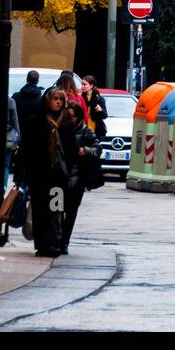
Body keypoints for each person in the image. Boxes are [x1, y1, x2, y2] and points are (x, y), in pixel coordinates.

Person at [16, 87, 77, 257]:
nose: (58, 102)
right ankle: (42, 244)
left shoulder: (66, 123)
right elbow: (26, 148)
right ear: (47, 100)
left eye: (61, 99)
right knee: (40, 210)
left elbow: (72, 148)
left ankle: (55, 244)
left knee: (56, 210)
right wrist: (22, 171)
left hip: (58, 176)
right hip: (39, 175)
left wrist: (70, 169)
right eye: (55, 98)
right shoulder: (36, 121)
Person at [62, 103, 103, 253]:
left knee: (71, 211)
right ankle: (57, 239)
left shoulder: (86, 131)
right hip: (60, 177)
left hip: (77, 178)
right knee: (58, 209)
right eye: (68, 116)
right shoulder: (60, 129)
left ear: (78, 116)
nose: (70, 119)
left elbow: (98, 148)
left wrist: (86, 150)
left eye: (73, 116)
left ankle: (64, 242)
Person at [5, 97, 20, 189]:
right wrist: (19, 139)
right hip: (9, 139)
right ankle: (4, 187)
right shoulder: (10, 101)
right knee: (6, 165)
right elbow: (15, 121)